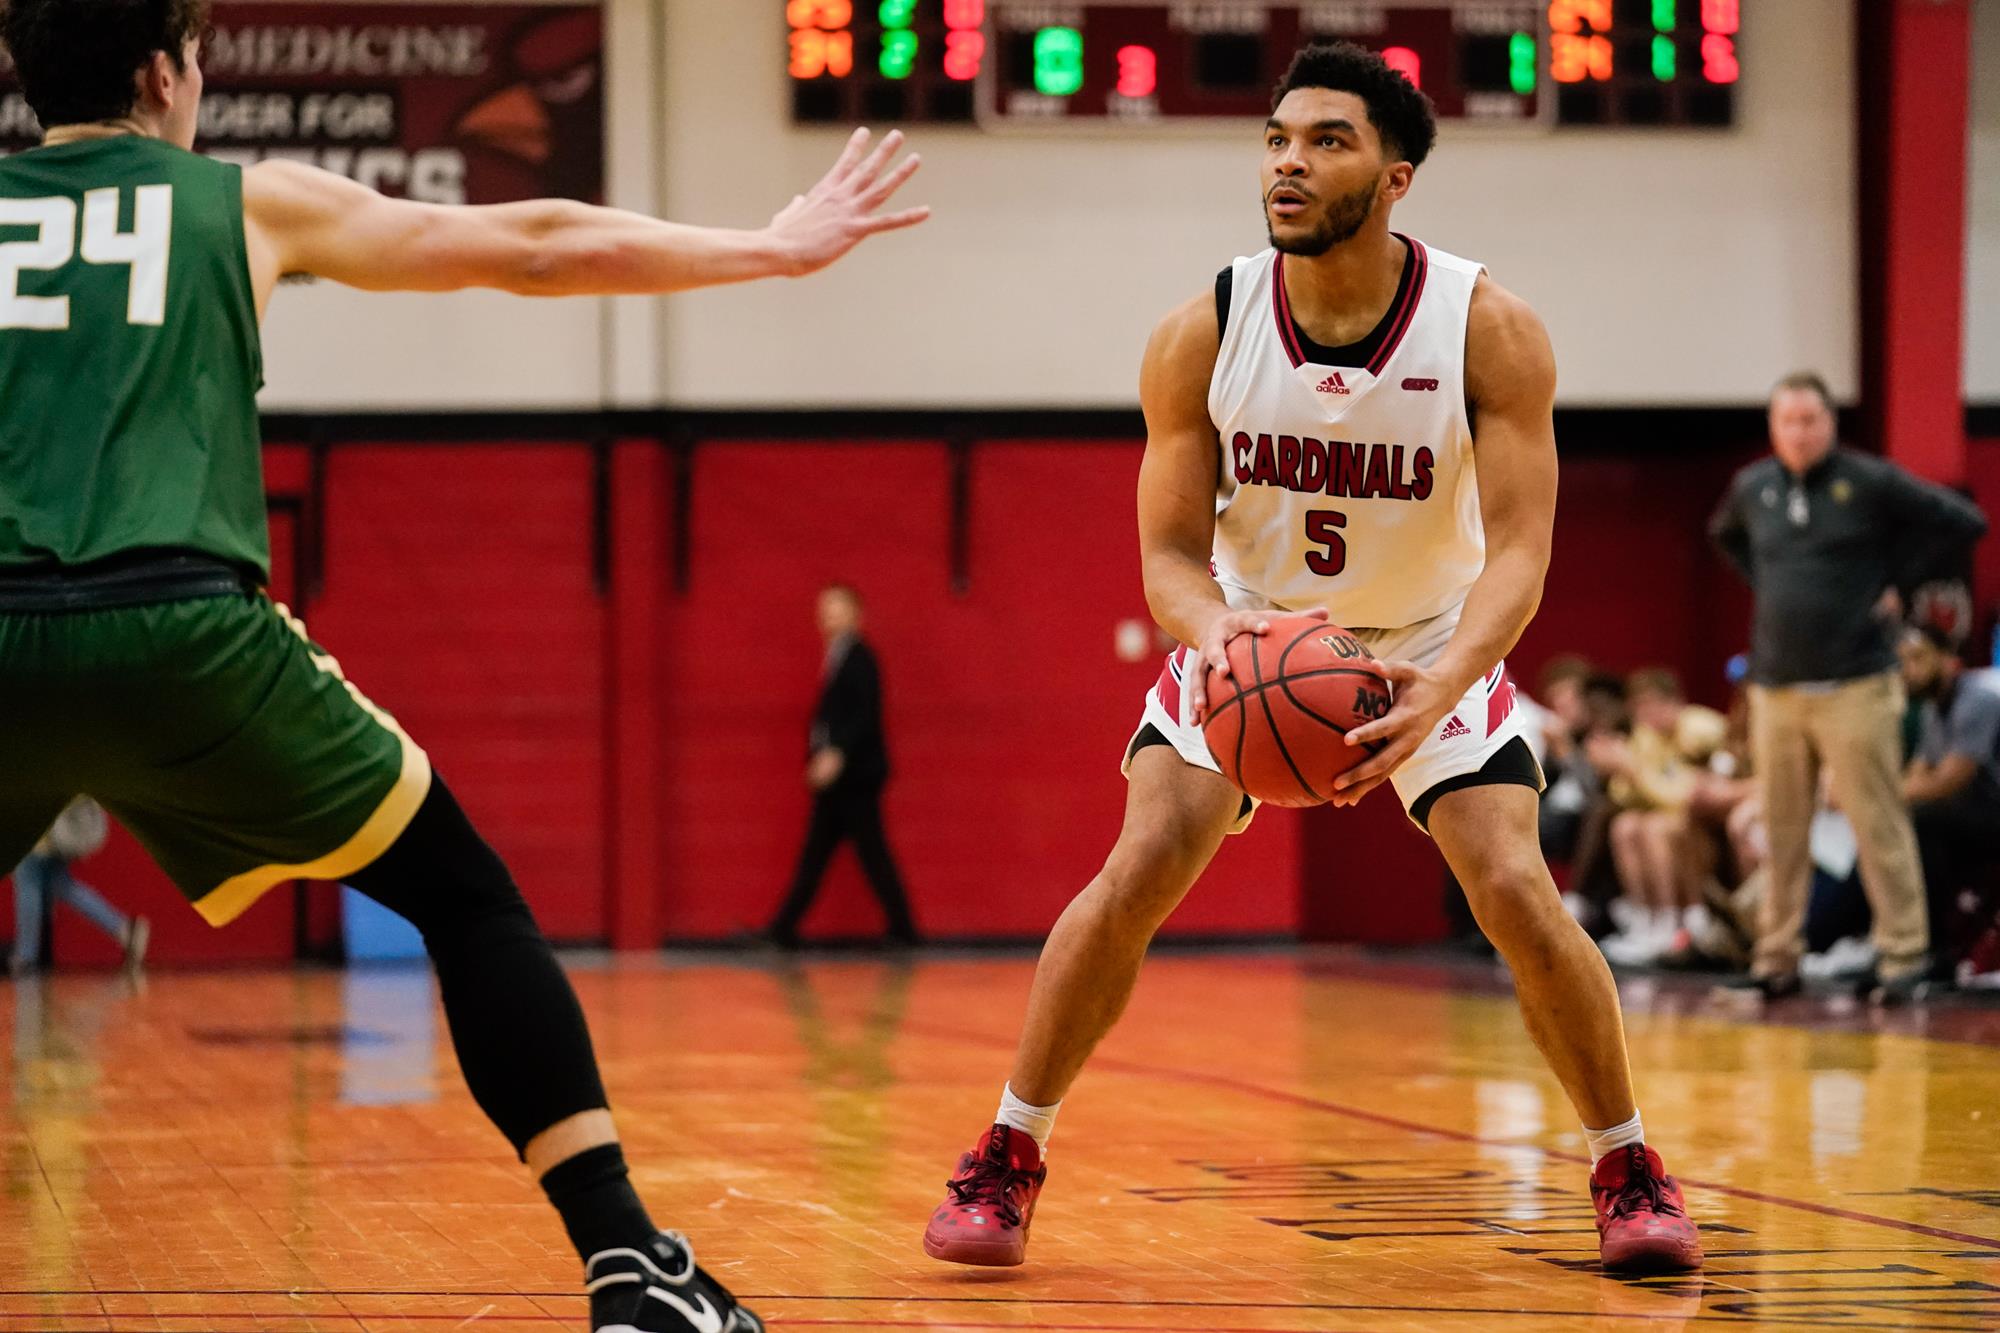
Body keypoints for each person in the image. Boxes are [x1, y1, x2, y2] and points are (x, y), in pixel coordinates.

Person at [0, 3, 927, 1328]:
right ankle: (626, 1262)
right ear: (165, 72)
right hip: (182, 627)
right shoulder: (244, 203)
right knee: (468, 901)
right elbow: (533, 246)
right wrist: (773, 249)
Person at [921, 42, 1701, 1277]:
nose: (1287, 162)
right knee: (1136, 870)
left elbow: (1518, 558)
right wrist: (1215, 631)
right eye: (1276, 139)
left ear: (1395, 177)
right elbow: (1170, 557)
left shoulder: (1487, 330)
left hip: (1429, 642)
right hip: (1255, 627)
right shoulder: (1202, 331)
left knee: (1511, 885)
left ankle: (1626, 1167)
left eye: (1324, 141)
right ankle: (1007, 1153)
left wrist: (1444, 687)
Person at [1708, 373, 1988, 1003]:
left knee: (1875, 823)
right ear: (1773, 428)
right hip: (1776, 686)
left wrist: (1894, 580)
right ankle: (1775, 957)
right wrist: (1772, 584)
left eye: (1810, 420)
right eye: (1787, 422)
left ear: (1830, 424)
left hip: (1857, 683)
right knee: (1781, 831)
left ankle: (1903, 957)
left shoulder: (1867, 481)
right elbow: (1724, 537)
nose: (1799, 433)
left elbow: (1963, 521)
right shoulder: (1754, 488)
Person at [766, 583, 920, 948]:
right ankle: (781, 929)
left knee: (867, 853)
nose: (827, 615)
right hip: (842, 779)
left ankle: (904, 929)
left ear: (856, 613)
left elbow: (863, 715)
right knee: (818, 855)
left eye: (836, 607)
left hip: (855, 778)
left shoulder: (860, 657)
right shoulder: (837, 656)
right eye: (823, 608)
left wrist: (835, 753)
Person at [1592, 669, 1733, 967]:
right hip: (1676, 817)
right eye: (1639, 706)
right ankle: (1648, 920)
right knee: (1625, 825)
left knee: (1658, 827)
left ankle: (1676, 920)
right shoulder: (1647, 735)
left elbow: (1682, 799)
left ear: (1675, 702)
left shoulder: (1701, 729)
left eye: (1651, 704)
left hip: (1710, 826)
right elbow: (1623, 797)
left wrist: (1633, 772)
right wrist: (1624, 772)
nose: (1645, 714)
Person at [1898, 623, 2000, 972]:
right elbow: (1919, 772)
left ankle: (1937, 949)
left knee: (1922, 821)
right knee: (1893, 826)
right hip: (1971, 816)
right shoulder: (1931, 708)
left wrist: (1880, 796)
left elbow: (1950, 780)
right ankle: (1887, 937)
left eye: (1918, 658)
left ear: (1948, 660)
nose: (1908, 670)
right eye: (1902, 662)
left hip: (1992, 810)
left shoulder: (1978, 699)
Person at [9, 797, 149, 975]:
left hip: (46, 822)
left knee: (28, 879)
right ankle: (123, 928)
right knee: (59, 883)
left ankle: (26, 956)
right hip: (65, 826)